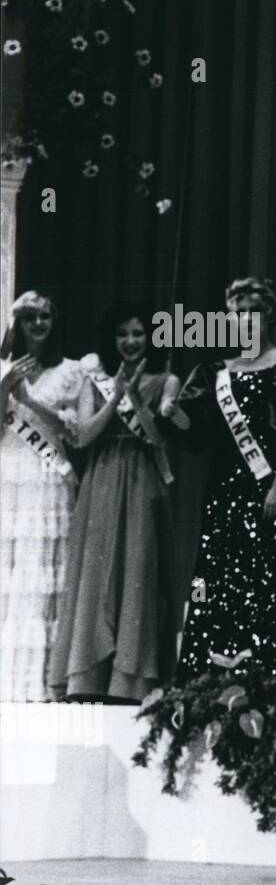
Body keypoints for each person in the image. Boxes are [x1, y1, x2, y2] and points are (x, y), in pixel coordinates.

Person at [160, 278, 276, 681]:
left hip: (264, 491)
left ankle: (265, 675)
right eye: (239, 313)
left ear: (270, 316)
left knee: (263, 576)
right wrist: (175, 413)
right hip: (224, 490)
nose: (247, 320)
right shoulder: (213, 374)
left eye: (255, 312)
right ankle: (211, 675)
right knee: (217, 577)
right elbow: (199, 435)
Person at [47, 303, 180, 703]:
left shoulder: (167, 379)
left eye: (138, 333)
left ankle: (132, 680)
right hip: (102, 479)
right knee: (96, 572)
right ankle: (88, 677)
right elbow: (84, 437)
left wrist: (137, 399)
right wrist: (116, 396)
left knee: (137, 570)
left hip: (143, 480)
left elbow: (159, 438)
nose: (130, 341)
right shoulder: (95, 380)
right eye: (122, 334)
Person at [0, 291, 84, 701]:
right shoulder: (1, 366)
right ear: (17, 323)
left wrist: (29, 400)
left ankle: (44, 680)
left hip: (48, 475)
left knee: (43, 571)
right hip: (9, 474)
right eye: (30, 317)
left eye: (44, 317)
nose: (37, 324)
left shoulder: (70, 371)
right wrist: (5, 390)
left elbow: (75, 430)